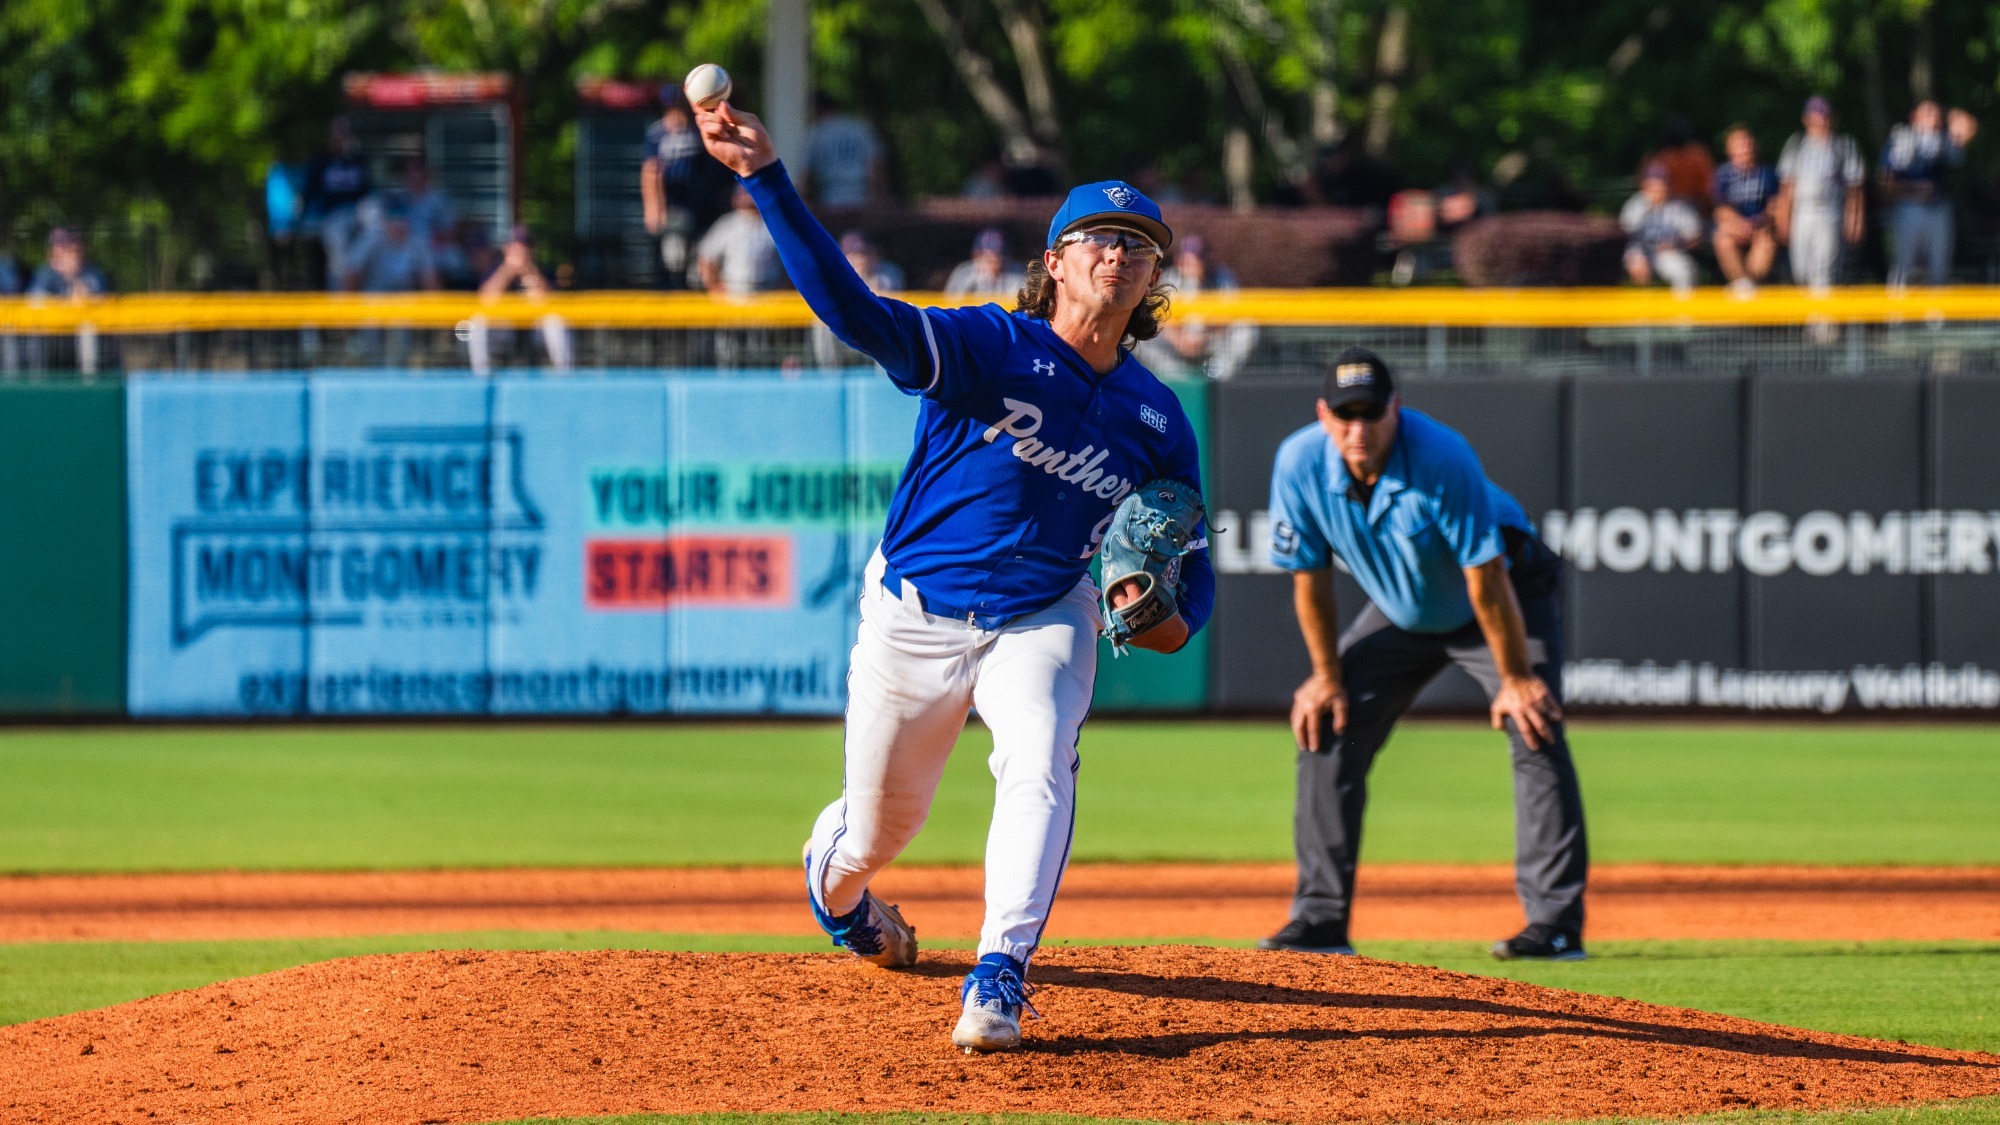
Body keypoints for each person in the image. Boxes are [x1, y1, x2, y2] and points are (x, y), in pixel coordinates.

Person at [694, 99, 1214, 1052]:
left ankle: (1000, 975)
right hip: (912, 617)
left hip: (1044, 611)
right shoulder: (987, 347)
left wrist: (1165, 610)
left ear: (1152, 281)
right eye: (1099, 237)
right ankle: (837, 882)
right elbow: (853, 311)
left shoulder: (1157, 420)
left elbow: (1194, 578)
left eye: (1142, 246)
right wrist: (764, 178)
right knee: (875, 835)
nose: (1122, 256)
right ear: (1052, 262)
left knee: (1041, 760)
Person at [1262, 347, 1584, 962]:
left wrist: (1515, 678)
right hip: (1403, 607)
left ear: (1396, 410)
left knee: (1533, 722)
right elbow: (1310, 579)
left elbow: (1485, 576)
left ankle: (1556, 924)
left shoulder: (1441, 455)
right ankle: (1321, 920)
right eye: (1345, 416)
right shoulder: (1299, 461)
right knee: (1327, 725)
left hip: (1502, 594)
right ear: (1323, 414)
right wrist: (1326, 678)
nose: (1359, 430)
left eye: (1372, 414)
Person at [642, 87, 734, 287]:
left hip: (701, 203)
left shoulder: (695, 128)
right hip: (674, 205)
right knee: (674, 259)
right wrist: (654, 207)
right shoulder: (658, 132)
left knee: (699, 259)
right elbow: (651, 170)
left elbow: (714, 168)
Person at [1881, 101, 1979, 289]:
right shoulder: (1902, 137)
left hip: (1938, 208)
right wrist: (1913, 189)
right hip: (1909, 207)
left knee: (1940, 268)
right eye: (1927, 113)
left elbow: (1970, 127)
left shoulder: (1945, 140)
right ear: (1914, 117)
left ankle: (1936, 318)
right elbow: (1886, 179)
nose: (1933, 118)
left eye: (1935, 114)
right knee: (1903, 267)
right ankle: (1897, 317)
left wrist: (1949, 112)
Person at [1774, 96, 1865, 293]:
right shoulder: (1796, 144)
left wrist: (1854, 219)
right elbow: (1787, 186)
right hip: (1802, 211)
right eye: (1814, 117)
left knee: (1824, 270)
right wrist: (1783, 218)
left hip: (1830, 211)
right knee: (1801, 271)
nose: (1819, 122)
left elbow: (1854, 188)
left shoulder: (1843, 145)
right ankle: (1809, 321)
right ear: (1806, 119)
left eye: (1823, 116)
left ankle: (1823, 324)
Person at [1146, 234, 1257, 380]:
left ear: (1208, 258)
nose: (1194, 263)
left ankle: (1217, 377)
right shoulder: (1170, 278)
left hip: (1212, 340)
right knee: (1143, 335)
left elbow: (1230, 315)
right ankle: (1178, 378)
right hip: (1178, 344)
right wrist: (1180, 340)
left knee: (1246, 329)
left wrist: (1205, 336)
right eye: (1188, 259)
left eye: (1198, 257)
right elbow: (1161, 319)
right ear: (1179, 260)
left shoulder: (1223, 277)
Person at [303, 117, 373, 290]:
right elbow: (308, 193)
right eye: (338, 134)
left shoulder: (358, 161)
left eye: (345, 134)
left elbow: (368, 194)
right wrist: (296, 219)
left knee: (376, 222)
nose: (342, 138)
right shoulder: (321, 162)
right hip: (333, 215)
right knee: (336, 238)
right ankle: (339, 296)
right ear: (331, 136)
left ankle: (353, 267)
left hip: (357, 213)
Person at [1710, 126, 1781, 295]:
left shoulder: (1767, 173)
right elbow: (1720, 208)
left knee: (1766, 243)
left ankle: (1747, 287)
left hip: (1761, 225)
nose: (1745, 149)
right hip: (1734, 225)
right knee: (1722, 240)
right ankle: (1745, 286)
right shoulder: (1723, 174)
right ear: (1730, 149)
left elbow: (1775, 204)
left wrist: (1758, 223)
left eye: (1747, 144)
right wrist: (1740, 225)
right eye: (1739, 145)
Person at [1619, 164, 1702, 294]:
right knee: (1637, 262)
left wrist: (1676, 243)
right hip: (1640, 251)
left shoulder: (1680, 206)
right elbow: (1626, 234)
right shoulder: (1636, 204)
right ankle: (1644, 310)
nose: (1658, 189)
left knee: (1685, 271)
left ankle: (1683, 312)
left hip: (1669, 252)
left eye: (1662, 184)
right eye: (1653, 185)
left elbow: (1695, 237)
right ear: (1645, 185)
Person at [695, 184, 783, 296]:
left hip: (770, 294)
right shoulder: (727, 223)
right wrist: (716, 288)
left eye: (751, 193)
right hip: (735, 293)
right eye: (744, 193)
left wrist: (783, 288)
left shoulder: (775, 225)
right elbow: (706, 258)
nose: (748, 197)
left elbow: (793, 260)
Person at [804, 94, 883, 208]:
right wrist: (876, 198)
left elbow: (804, 175)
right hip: (860, 195)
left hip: (830, 197)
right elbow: (875, 165)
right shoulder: (860, 127)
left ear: (817, 109)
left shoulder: (817, 133)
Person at [342, 201, 440, 293]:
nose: (397, 225)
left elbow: (430, 279)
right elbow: (352, 272)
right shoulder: (370, 240)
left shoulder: (418, 243)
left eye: (401, 220)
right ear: (384, 222)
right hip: (374, 300)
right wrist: (351, 305)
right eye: (393, 219)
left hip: (406, 301)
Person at [1639, 115, 1715, 211]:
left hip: (1692, 206)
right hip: (1663, 205)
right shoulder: (1657, 157)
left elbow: (1708, 190)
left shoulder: (1697, 155)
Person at [942, 228, 1026, 298]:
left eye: (1000, 255)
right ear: (975, 255)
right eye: (988, 258)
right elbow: (950, 304)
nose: (995, 260)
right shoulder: (964, 274)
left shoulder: (1019, 274)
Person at [27, 228, 110, 299]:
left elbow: (102, 300)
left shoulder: (93, 274)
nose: (74, 256)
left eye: (77, 251)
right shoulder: (46, 274)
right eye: (70, 251)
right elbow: (35, 301)